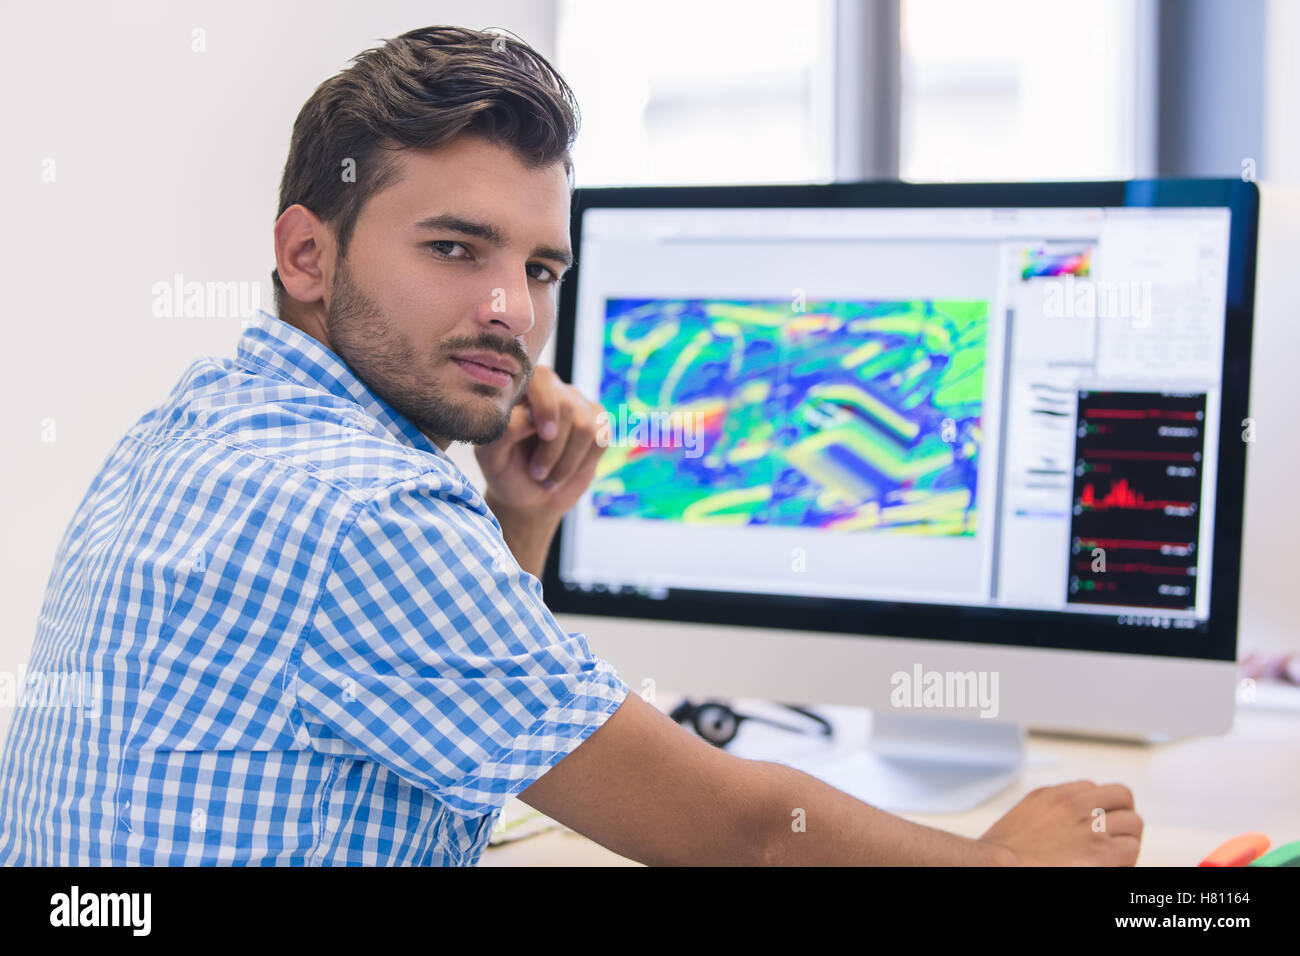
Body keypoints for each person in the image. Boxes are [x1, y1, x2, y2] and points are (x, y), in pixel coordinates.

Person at [0, 25, 1141, 866]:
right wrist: (1000, 864)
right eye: (456, 247)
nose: (513, 308)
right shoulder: (368, 510)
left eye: (540, 267)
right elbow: (740, 832)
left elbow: (436, 713)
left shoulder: (195, 418)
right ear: (308, 253)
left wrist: (522, 515)